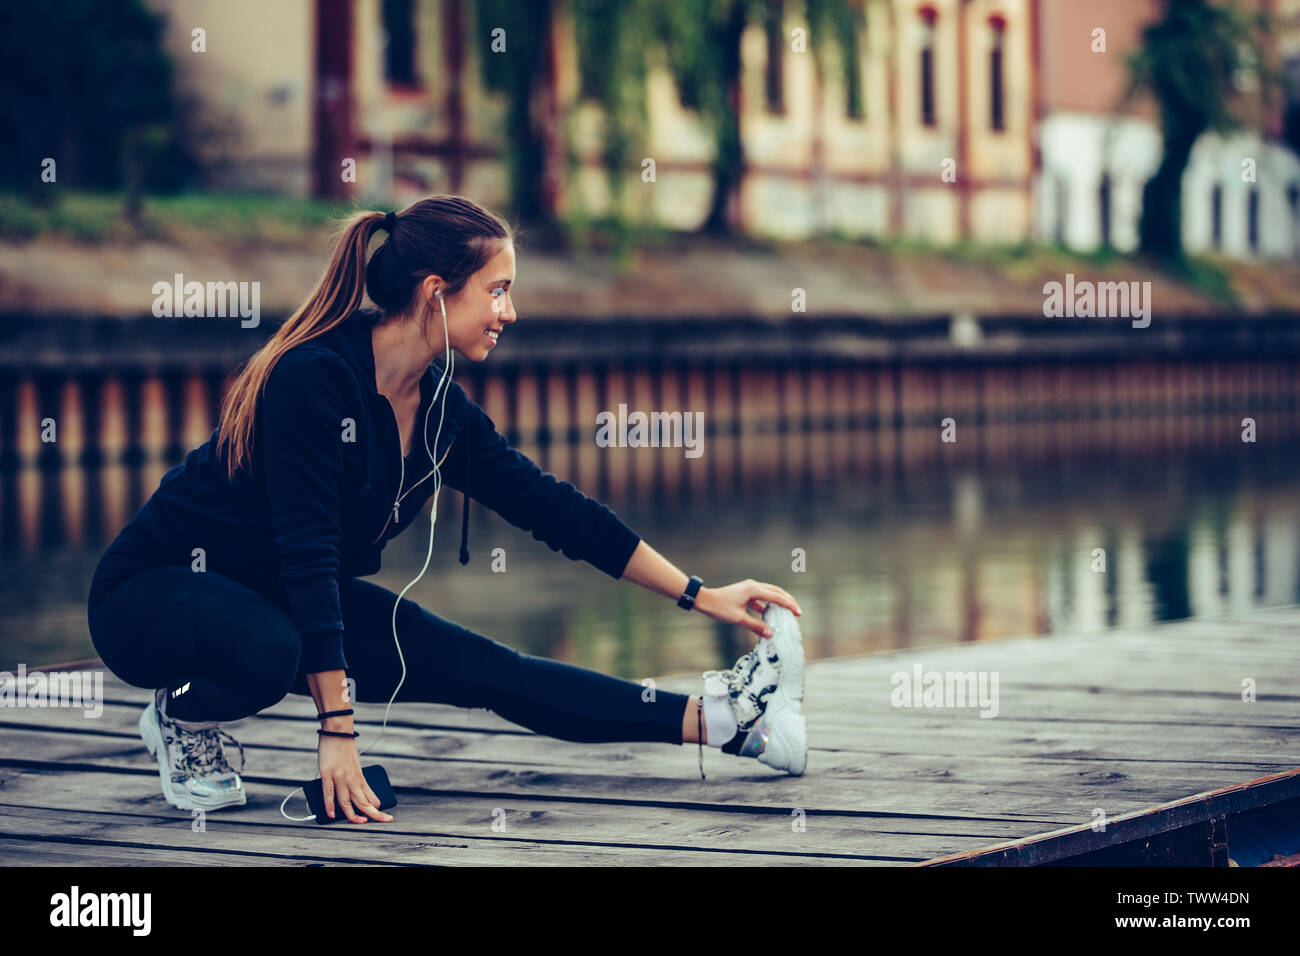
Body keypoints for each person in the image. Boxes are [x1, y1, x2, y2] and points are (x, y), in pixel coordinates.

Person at [86, 194, 807, 825]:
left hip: (276, 600)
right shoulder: (314, 380)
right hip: (151, 594)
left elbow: (553, 509)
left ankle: (723, 723)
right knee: (272, 646)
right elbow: (308, 555)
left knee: (486, 667)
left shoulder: (440, 411)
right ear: (437, 292)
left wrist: (700, 594)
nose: (510, 312)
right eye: (497, 291)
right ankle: (181, 713)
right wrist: (338, 732)